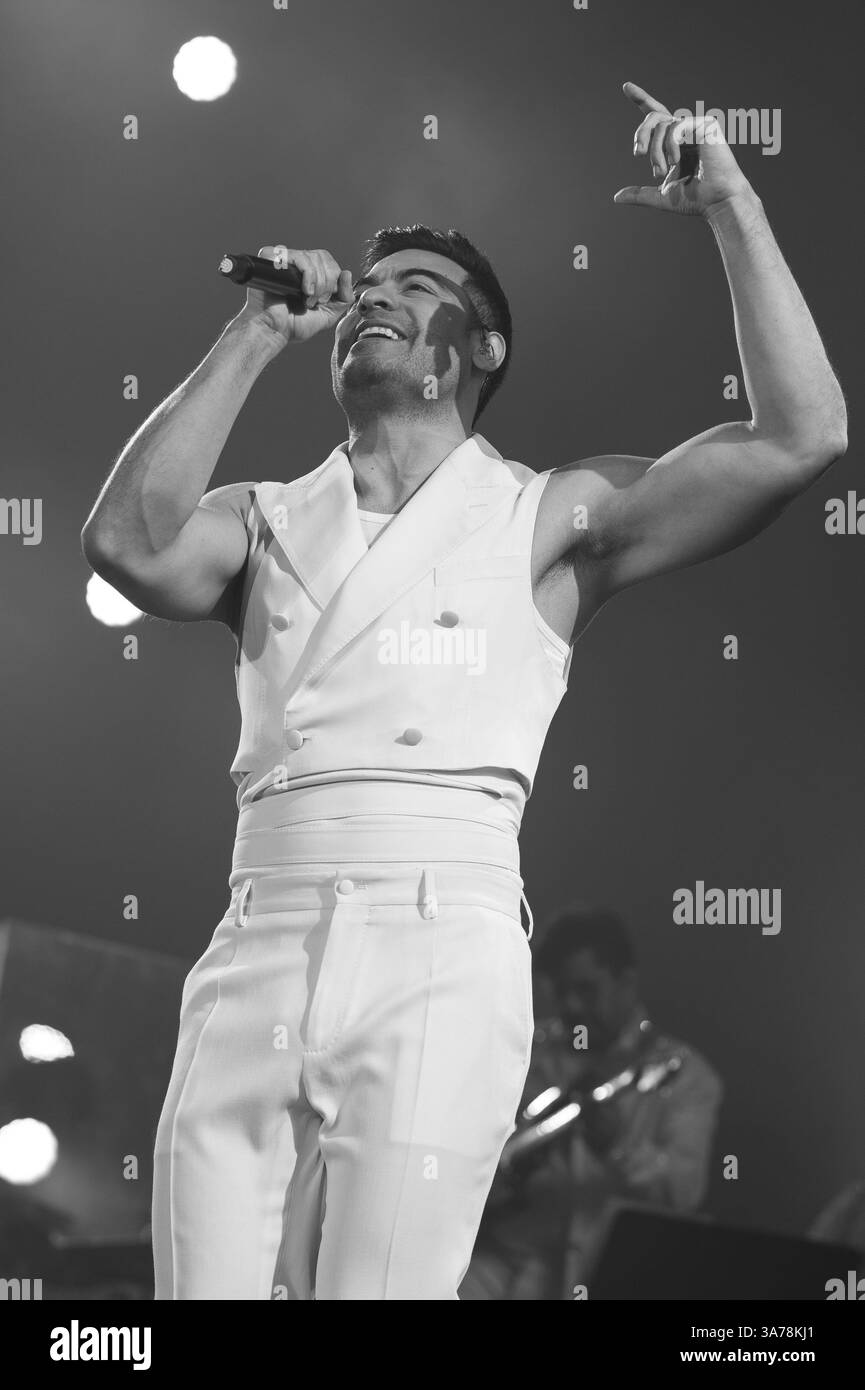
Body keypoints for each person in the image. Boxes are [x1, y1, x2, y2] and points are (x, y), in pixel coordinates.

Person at [80, 82, 846, 1300]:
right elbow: (123, 543)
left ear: (478, 351)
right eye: (366, 294)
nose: (375, 304)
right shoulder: (262, 520)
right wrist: (254, 332)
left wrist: (731, 208)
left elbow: (799, 436)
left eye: (416, 293)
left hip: (443, 940)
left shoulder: (546, 513)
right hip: (260, 930)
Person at [460, 906, 722, 1299]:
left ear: (627, 982)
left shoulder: (687, 1076)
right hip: (497, 1267)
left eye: (586, 989)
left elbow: (684, 1194)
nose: (572, 1007)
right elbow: (464, 1173)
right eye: (562, 991)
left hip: (609, 1282)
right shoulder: (523, 1053)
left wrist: (619, 1147)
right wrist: (508, 1173)